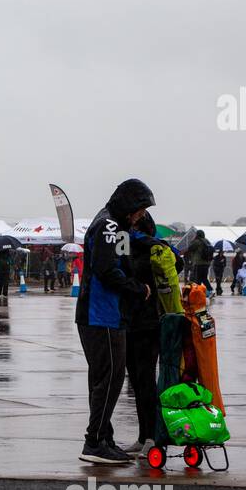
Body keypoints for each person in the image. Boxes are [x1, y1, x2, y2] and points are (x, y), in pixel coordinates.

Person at [75, 179, 155, 465]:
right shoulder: (109, 226)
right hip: (101, 314)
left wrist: (150, 242)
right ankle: (94, 441)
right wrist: (137, 288)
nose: (142, 215)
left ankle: (104, 437)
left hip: (101, 314)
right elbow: (107, 269)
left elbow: (124, 250)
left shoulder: (111, 224)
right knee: (109, 379)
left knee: (103, 379)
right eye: (140, 209)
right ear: (129, 205)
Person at [124, 213, 175, 458]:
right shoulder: (131, 247)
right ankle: (143, 435)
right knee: (136, 381)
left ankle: (153, 437)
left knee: (145, 381)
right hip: (131, 322)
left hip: (148, 322)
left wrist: (146, 242)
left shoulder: (151, 248)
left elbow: (177, 263)